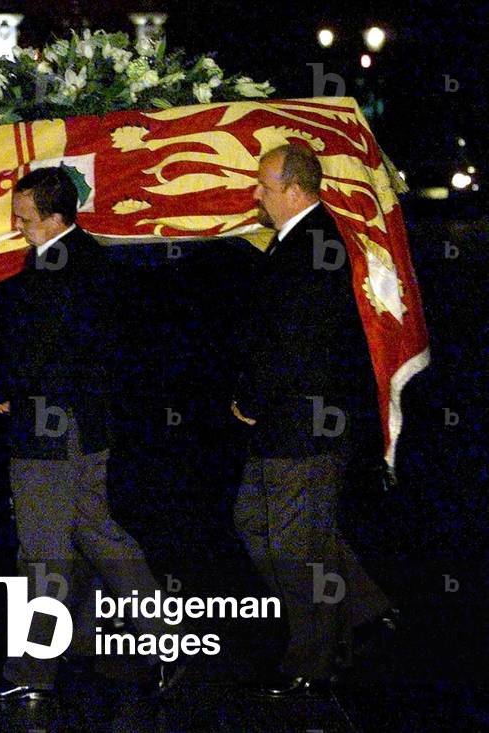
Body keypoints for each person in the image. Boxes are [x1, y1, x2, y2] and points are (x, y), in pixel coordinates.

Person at [0, 167, 181, 701]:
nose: (17, 225)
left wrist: (5, 387)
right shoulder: (88, 258)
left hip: (49, 428)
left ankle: (33, 671)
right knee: (97, 533)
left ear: (55, 218)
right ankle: (165, 639)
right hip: (87, 427)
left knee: (41, 550)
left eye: (25, 217)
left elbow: (39, 347)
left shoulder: (54, 266)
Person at [231, 144, 395, 697]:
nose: (256, 194)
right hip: (293, 419)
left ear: (295, 191)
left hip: (304, 421)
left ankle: (313, 661)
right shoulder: (296, 239)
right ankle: (363, 610)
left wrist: (254, 399)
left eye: (265, 186)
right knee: (267, 524)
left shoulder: (314, 246)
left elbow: (297, 343)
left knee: (294, 546)